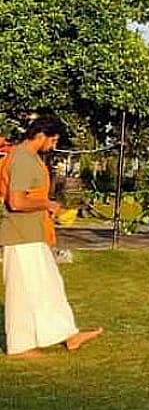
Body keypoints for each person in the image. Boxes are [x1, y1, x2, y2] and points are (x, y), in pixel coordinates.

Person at [0, 116, 103, 358]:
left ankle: (68, 335)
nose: (54, 145)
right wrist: (47, 203)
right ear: (41, 135)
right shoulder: (23, 158)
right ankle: (21, 345)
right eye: (53, 139)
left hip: (30, 232)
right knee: (26, 290)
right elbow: (17, 201)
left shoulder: (26, 156)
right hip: (22, 233)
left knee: (46, 285)